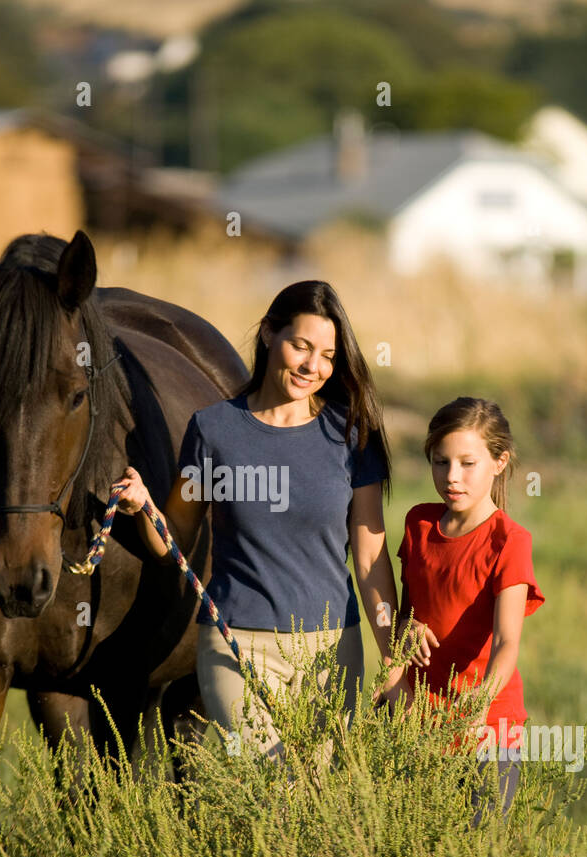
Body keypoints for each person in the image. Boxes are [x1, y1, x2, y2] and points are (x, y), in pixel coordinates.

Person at [111, 280, 409, 780]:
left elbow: (371, 560)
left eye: (328, 356)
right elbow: (172, 544)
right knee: (275, 786)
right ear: (270, 333)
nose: (314, 366)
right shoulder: (214, 430)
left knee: (319, 801)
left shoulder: (352, 435)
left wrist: (395, 661)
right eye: (302, 346)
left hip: (332, 648)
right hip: (237, 643)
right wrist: (143, 508)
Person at [391, 397, 545, 826]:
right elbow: (405, 617)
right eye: (441, 462)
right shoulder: (418, 524)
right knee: (414, 848)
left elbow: (507, 641)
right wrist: (408, 628)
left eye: (467, 463)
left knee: (480, 854)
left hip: (487, 726)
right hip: (417, 718)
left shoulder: (509, 540)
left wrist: (478, 706)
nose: (451, 477)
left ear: (499, 462)